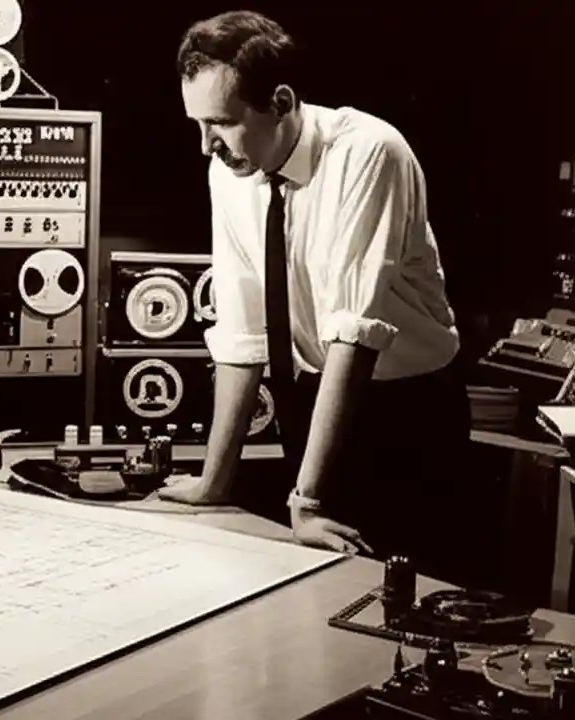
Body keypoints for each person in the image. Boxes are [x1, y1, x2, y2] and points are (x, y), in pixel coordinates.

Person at [157, 10, 471, 583]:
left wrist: (307, 501)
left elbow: (354, 334)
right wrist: (213, 482)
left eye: (221, 122)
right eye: (197, 124)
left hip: (404, 414)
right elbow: (243, 327)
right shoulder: (230, 171)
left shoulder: (371, 153)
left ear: (281, 102)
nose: (205, 146)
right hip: (314, 403)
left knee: (405, 604)